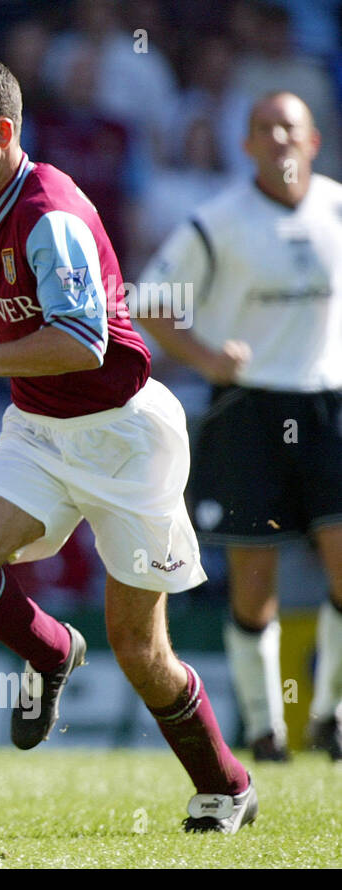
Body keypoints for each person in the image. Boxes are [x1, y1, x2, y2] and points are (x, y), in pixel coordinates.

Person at [0, 59, 255, 833]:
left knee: (140, 650)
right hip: (39, 432)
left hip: (125, 436)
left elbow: (81, 345)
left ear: (2, 134)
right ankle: (50, 652)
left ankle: (226, 785)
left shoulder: (51, 213)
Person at [136, 91, 342, 763]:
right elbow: (150, 302)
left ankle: (330, 716)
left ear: (312, 141)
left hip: (329, 404)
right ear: (247, 144)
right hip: (248, 409)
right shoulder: (217, 222)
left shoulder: (337, 208)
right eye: (264, 128)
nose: (278, 138)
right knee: (255, 581)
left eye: (290, 127)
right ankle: (265, 728)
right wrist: (205, 356)